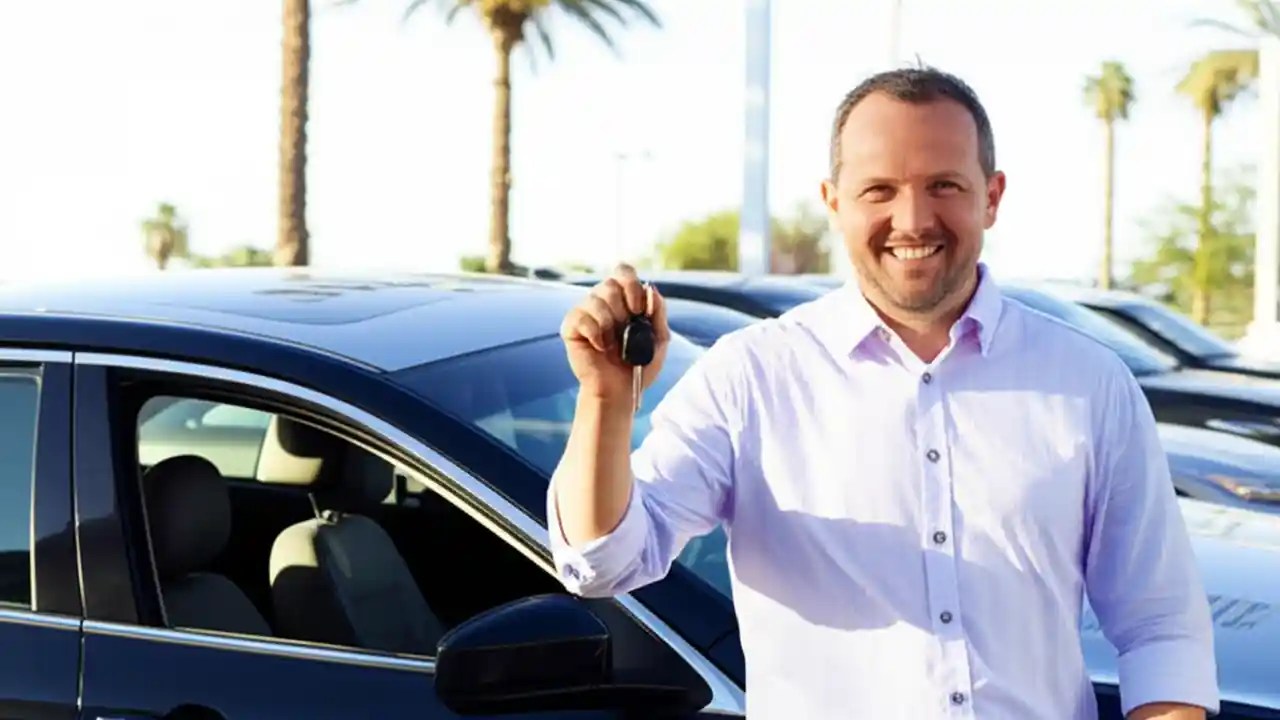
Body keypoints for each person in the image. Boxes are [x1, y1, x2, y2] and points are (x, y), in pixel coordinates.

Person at [548, 66, 1218, 720]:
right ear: (834, 200)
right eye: (879, 190)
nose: (913, 219)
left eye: (944, 185)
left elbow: (1161, 627)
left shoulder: (1090, 383)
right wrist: (605, 401)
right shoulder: (749, 377)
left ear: (993, 195)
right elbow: (605, 562)